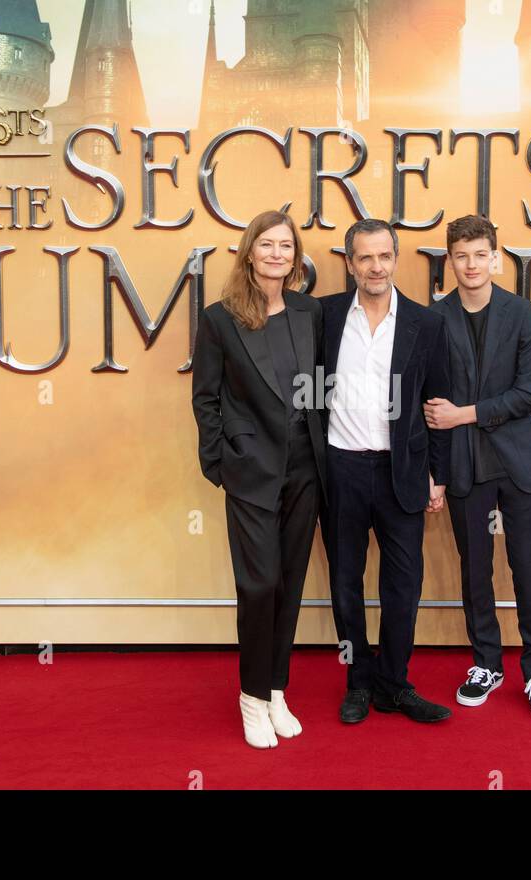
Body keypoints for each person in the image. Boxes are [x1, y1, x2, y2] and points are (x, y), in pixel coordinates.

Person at [191, 210, 328, 748]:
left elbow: (319, 385)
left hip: (305, 468)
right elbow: (205, 397)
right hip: (251, 470)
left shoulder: (308, 311)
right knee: (259, 584)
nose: (277, 254)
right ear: (249, 252)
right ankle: (250, 696)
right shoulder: (220, 319)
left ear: (295, 257)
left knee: (290, 582)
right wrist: (219, 462)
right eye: (267, 245)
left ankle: (275, 691)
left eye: (286, 246)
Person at [423, 214, 531, 721]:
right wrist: (434, 473)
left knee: (529, 570)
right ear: (450, 261)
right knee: (475, 571)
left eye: (480, 254)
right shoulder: (433, 318)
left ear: (495, 258)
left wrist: (466, 413)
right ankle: (486, 663)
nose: (471, 264)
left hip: (520, 464)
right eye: (461, 255)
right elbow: (427, 402)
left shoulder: (524, 314)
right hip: (463, 466)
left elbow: (530, 393)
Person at [320, 218, 453, 724]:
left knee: (403, 584)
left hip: (402, 474)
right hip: (341, 472)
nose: (375, 266)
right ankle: (357, 682)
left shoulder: (426, 323)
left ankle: (394, 684)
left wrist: (436, 475)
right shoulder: (326, 316)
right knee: (345, 584)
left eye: (384, 256)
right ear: (350, 263)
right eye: (364, 258)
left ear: (395, 259)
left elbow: (437, 403)